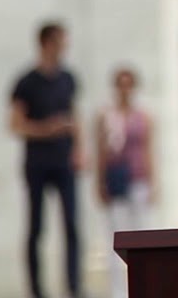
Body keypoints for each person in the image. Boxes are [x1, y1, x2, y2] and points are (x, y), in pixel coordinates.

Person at [9, 21, 85, 298]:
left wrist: (79, 149)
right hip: (38, 163)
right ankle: (36, 289)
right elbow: (15, 124)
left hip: (64, 161)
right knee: (36, 228)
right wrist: (46, 129)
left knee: (72, 225)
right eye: (60, 42)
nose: (64, 48)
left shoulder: (68, 79)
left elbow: (75, 117)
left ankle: (74, 286)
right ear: (46, 43)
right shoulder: (26, 82)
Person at [95, 67, 154, 298]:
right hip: (117, 179)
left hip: (138, 177)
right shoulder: (107, 116)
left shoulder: (143, 117)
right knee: (115, 233)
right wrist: (100, 182)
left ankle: (141, 285)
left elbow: (148, 148)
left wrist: (153, 180)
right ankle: (118, 292)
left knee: (141, 232)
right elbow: (101, 149)